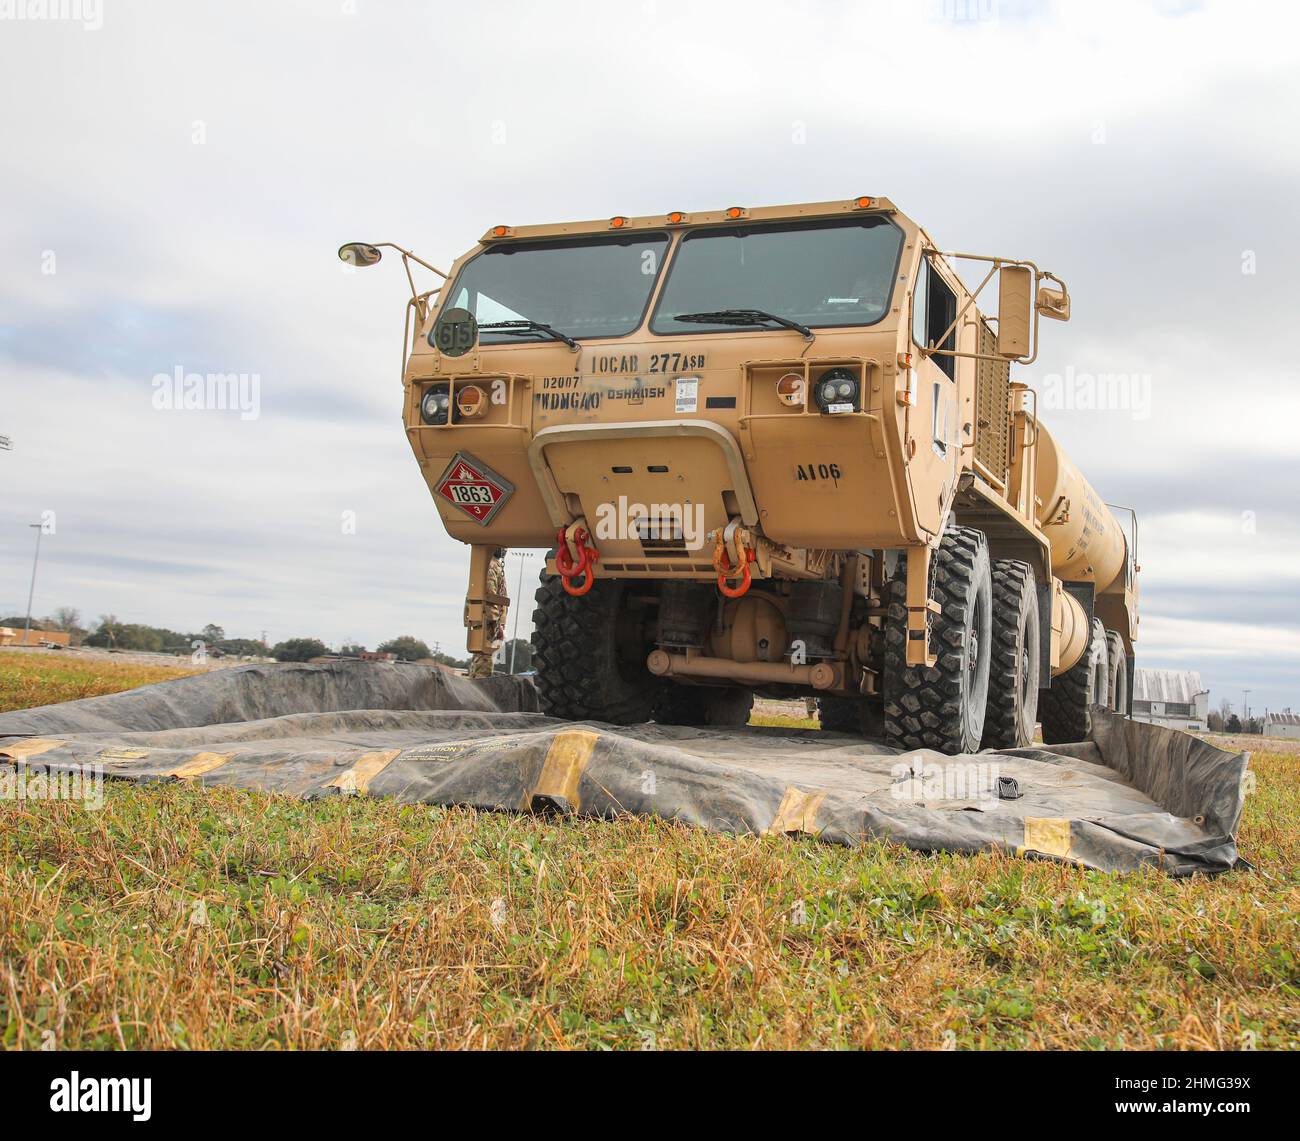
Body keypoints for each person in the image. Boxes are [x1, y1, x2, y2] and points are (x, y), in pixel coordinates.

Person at [467, 547, 508, 678]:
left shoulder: (491, 564)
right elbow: (490, 595)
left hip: (487, 619)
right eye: (504, 547)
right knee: (484, 660)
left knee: (481, 659)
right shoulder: (491, 566)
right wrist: (497, 624)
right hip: (488, 620)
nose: (505, 550)